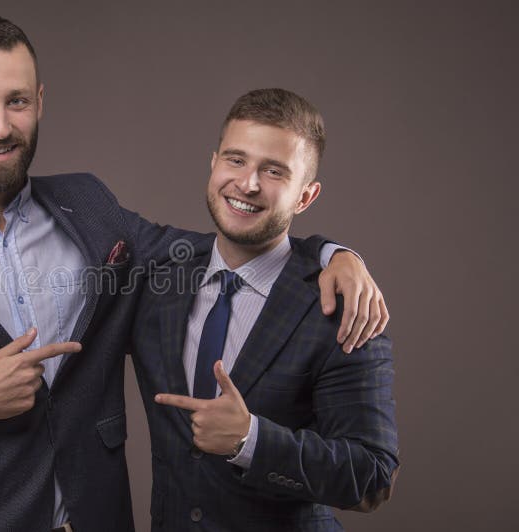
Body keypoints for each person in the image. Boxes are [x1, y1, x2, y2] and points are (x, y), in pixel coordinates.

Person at [0, 15, 386, 531]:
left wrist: (333, 253)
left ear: (39, 101)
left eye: (16, 101)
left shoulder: (90, 207)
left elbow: (220, 245)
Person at [136, 88, 398, 530]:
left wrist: (250, 440)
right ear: (213, 163)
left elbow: (371, 476)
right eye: (236, 160)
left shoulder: (344, 306)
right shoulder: (158, 278)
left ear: (305, 197)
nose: (248, 183)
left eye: (274, 171)